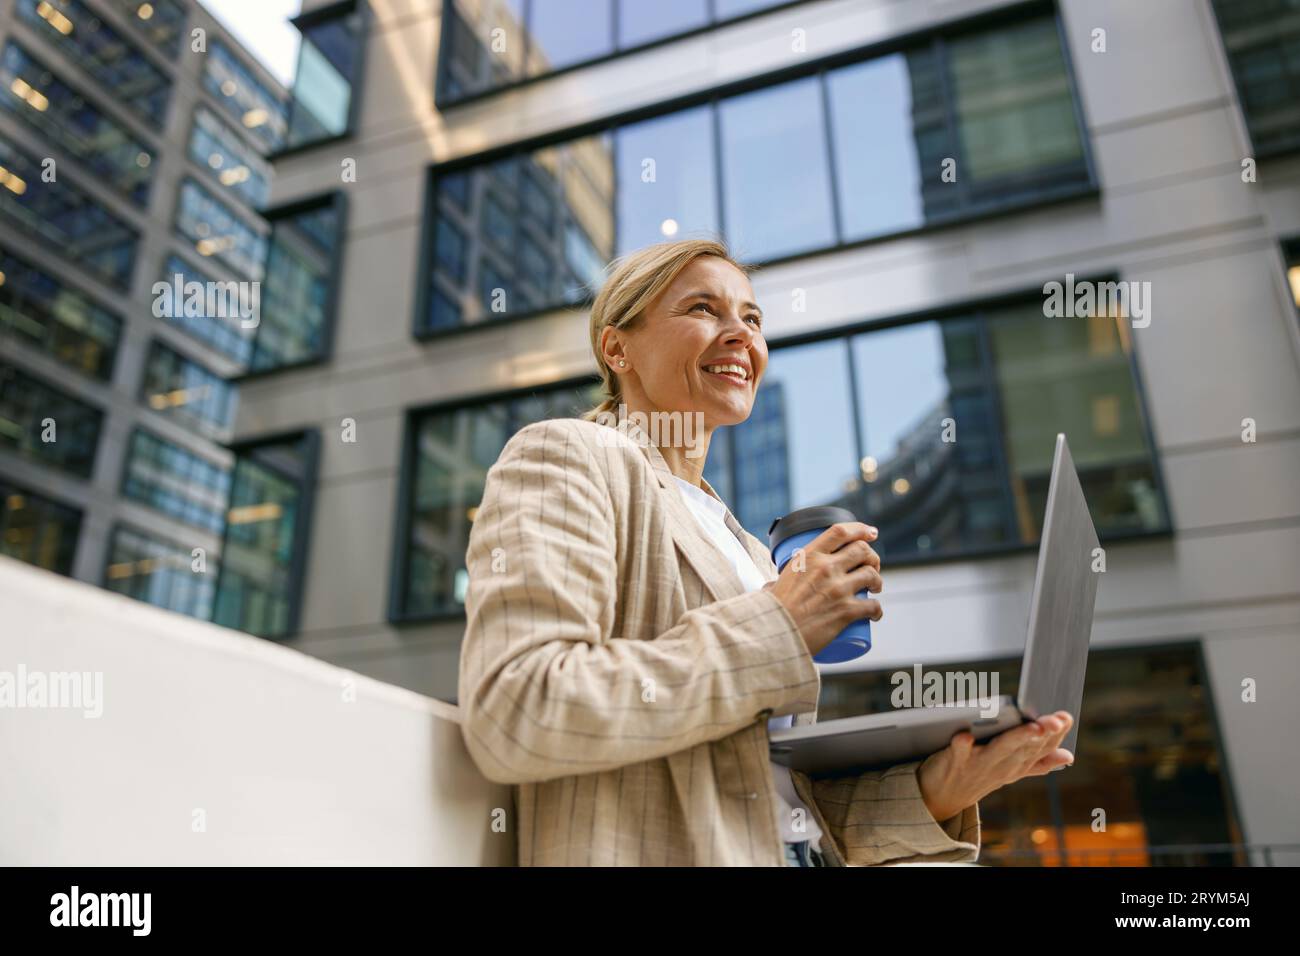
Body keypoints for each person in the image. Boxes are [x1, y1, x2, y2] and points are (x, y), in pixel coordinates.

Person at [457, 238, 1075, 866]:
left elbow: (769, 803)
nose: (740, 336)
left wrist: (939, 788)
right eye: (703, 309)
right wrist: (780, 623)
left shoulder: (749, 550)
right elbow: (519, 706)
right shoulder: (571, 457)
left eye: (751, 319)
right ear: (618, 349)